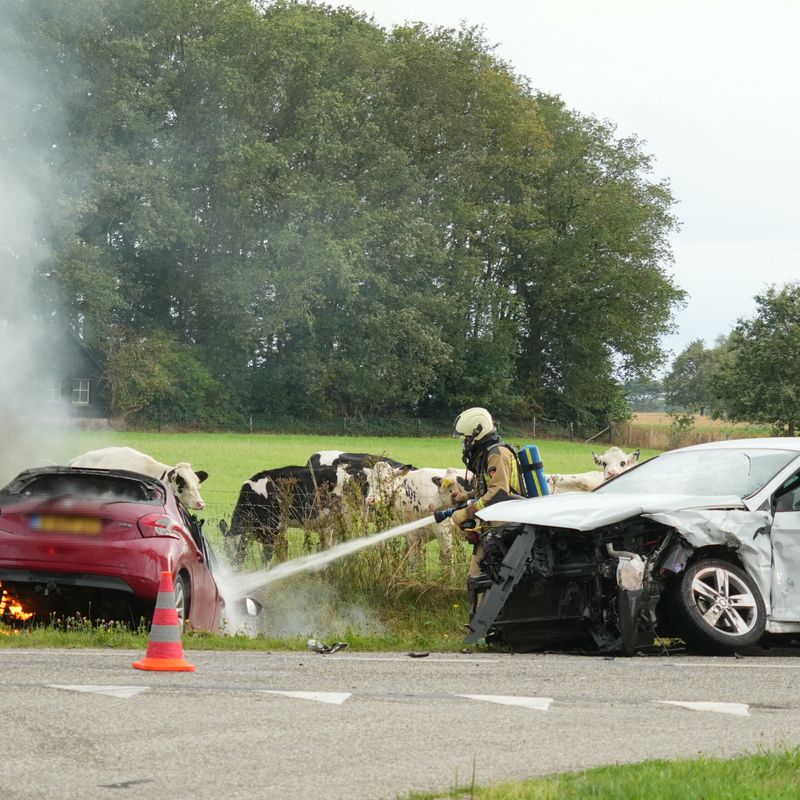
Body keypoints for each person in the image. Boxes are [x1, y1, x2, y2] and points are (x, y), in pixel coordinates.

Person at [448, 407, 522, 593]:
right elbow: (486, 489)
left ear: (477, 433)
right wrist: (466, 496)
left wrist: (466, 512)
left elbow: (499, 493)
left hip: (507, 527)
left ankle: (489, 619)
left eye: (465, 438)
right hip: (493, 527)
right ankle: (479, 616)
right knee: (477, 579)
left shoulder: (497, 454)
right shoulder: (487, 454)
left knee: (489, 579)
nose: (464, 443)